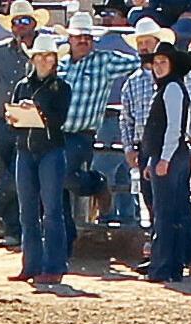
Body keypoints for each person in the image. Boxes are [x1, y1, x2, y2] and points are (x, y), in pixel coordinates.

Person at [120, 17, 191, 273]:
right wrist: (130, 147)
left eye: (149, 42)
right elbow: (127, 118)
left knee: (177, 203)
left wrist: (180, 138)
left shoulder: (177, 78)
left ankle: (188, 256)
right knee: (155, 203)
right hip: (147, 147)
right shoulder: (133, 82)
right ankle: (163, 254)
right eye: (141, 43)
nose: (144, 47)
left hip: (167, 148)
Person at [55, 12, 139, 256]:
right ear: (69, 39)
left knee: (63, 176)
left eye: (87, 37)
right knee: (56, 188)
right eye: (79, 37)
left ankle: (96, 183)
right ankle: (66, 241)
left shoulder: (104, 61)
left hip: (82, 133)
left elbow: (136, 62)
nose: (84, 41)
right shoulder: (60, 64)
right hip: (55, 132)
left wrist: (151, 53)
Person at [0, 0, 49, 250]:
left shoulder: (44, 49)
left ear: (34, 24)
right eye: (16, 22)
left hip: (30, 122)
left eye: (25, 21)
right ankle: (12, 229)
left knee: (20, 172)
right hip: (3, 117)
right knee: (5, 169)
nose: (20, 26)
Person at [6, 34, 71, 284]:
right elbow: (13, 124)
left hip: (50, 150)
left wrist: (36, 113)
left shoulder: (61, 87)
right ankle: (31, 265)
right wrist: (16, 118)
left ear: (55, 60)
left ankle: (54, 265)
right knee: (28, 211)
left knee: (52, 211)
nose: (44, 61)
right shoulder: (23, 86)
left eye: (48, 57)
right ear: (33, 59)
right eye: (40, 56)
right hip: (26, 150)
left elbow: (59, 120)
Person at [142, 42, 191, 283]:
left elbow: (174, 127)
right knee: (171, 211)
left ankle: (163, 267)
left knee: (164, 213)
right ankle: (172, 266)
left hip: (170, 155)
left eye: (163, 62)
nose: (158, 66)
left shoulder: (171, 88)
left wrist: (163, 158)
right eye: (156, 62)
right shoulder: (170, 87)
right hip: (170, 154)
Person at [92, 0, 139, 224]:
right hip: (122, 115)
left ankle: (106, 217)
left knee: (102, 169)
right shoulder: (131, 46)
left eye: (111, 13)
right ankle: (129, 218)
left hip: (109, 115)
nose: (106, 17)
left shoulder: (101, 44)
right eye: (104, 13)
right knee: (121, 169)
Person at [127, 0, 191, 47]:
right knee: (135, 14)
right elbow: (154, 3)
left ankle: (170, 58)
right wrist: (145, 3)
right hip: (169, 16)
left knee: (180, 28)